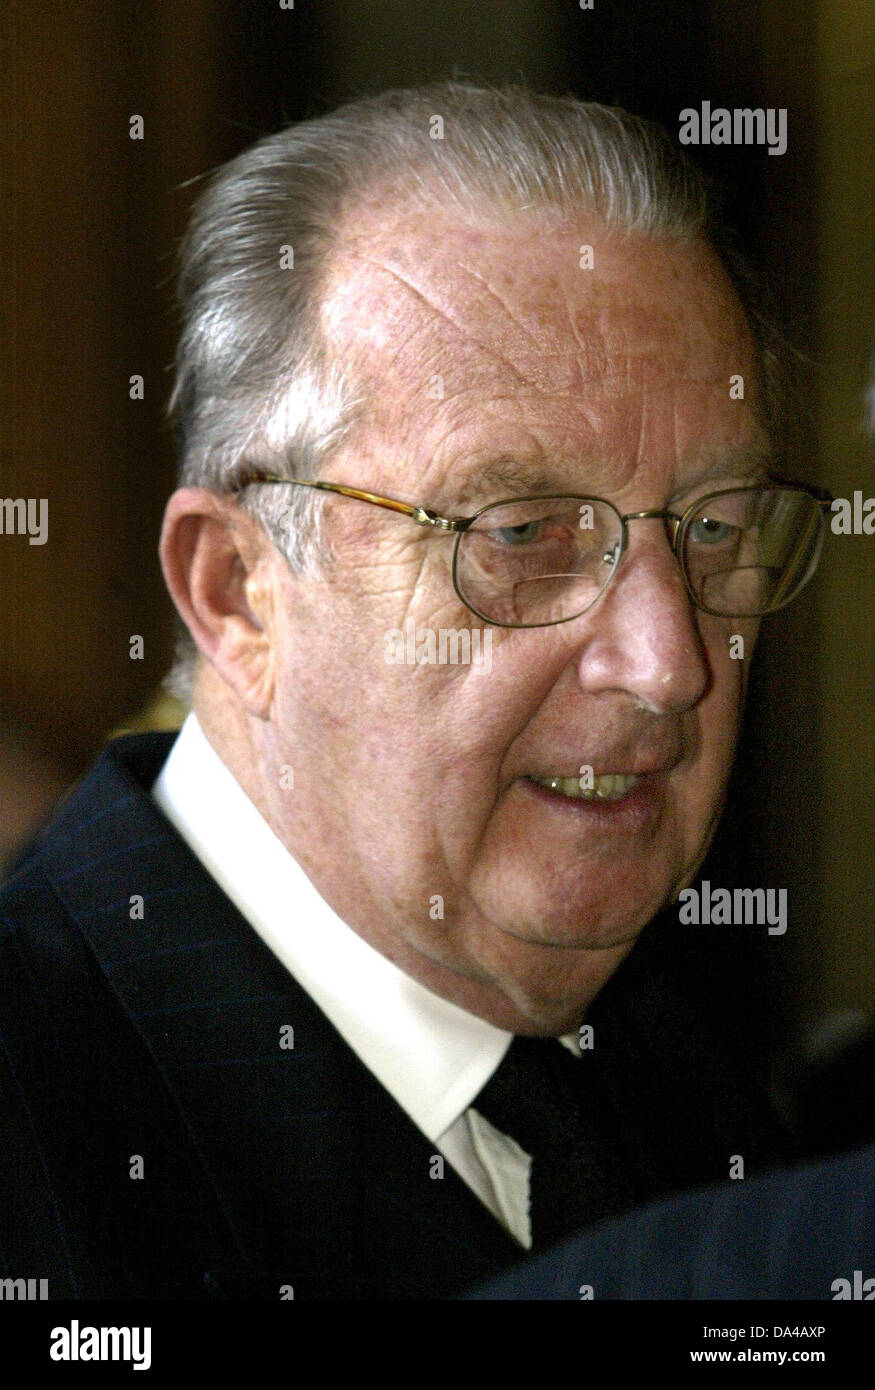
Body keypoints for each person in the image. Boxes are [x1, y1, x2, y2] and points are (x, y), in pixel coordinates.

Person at [0, 84, 831, 1300]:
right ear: (239, 590)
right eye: (519, 533)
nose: (668, 662)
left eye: (711, 530)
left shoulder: (690, 1069)